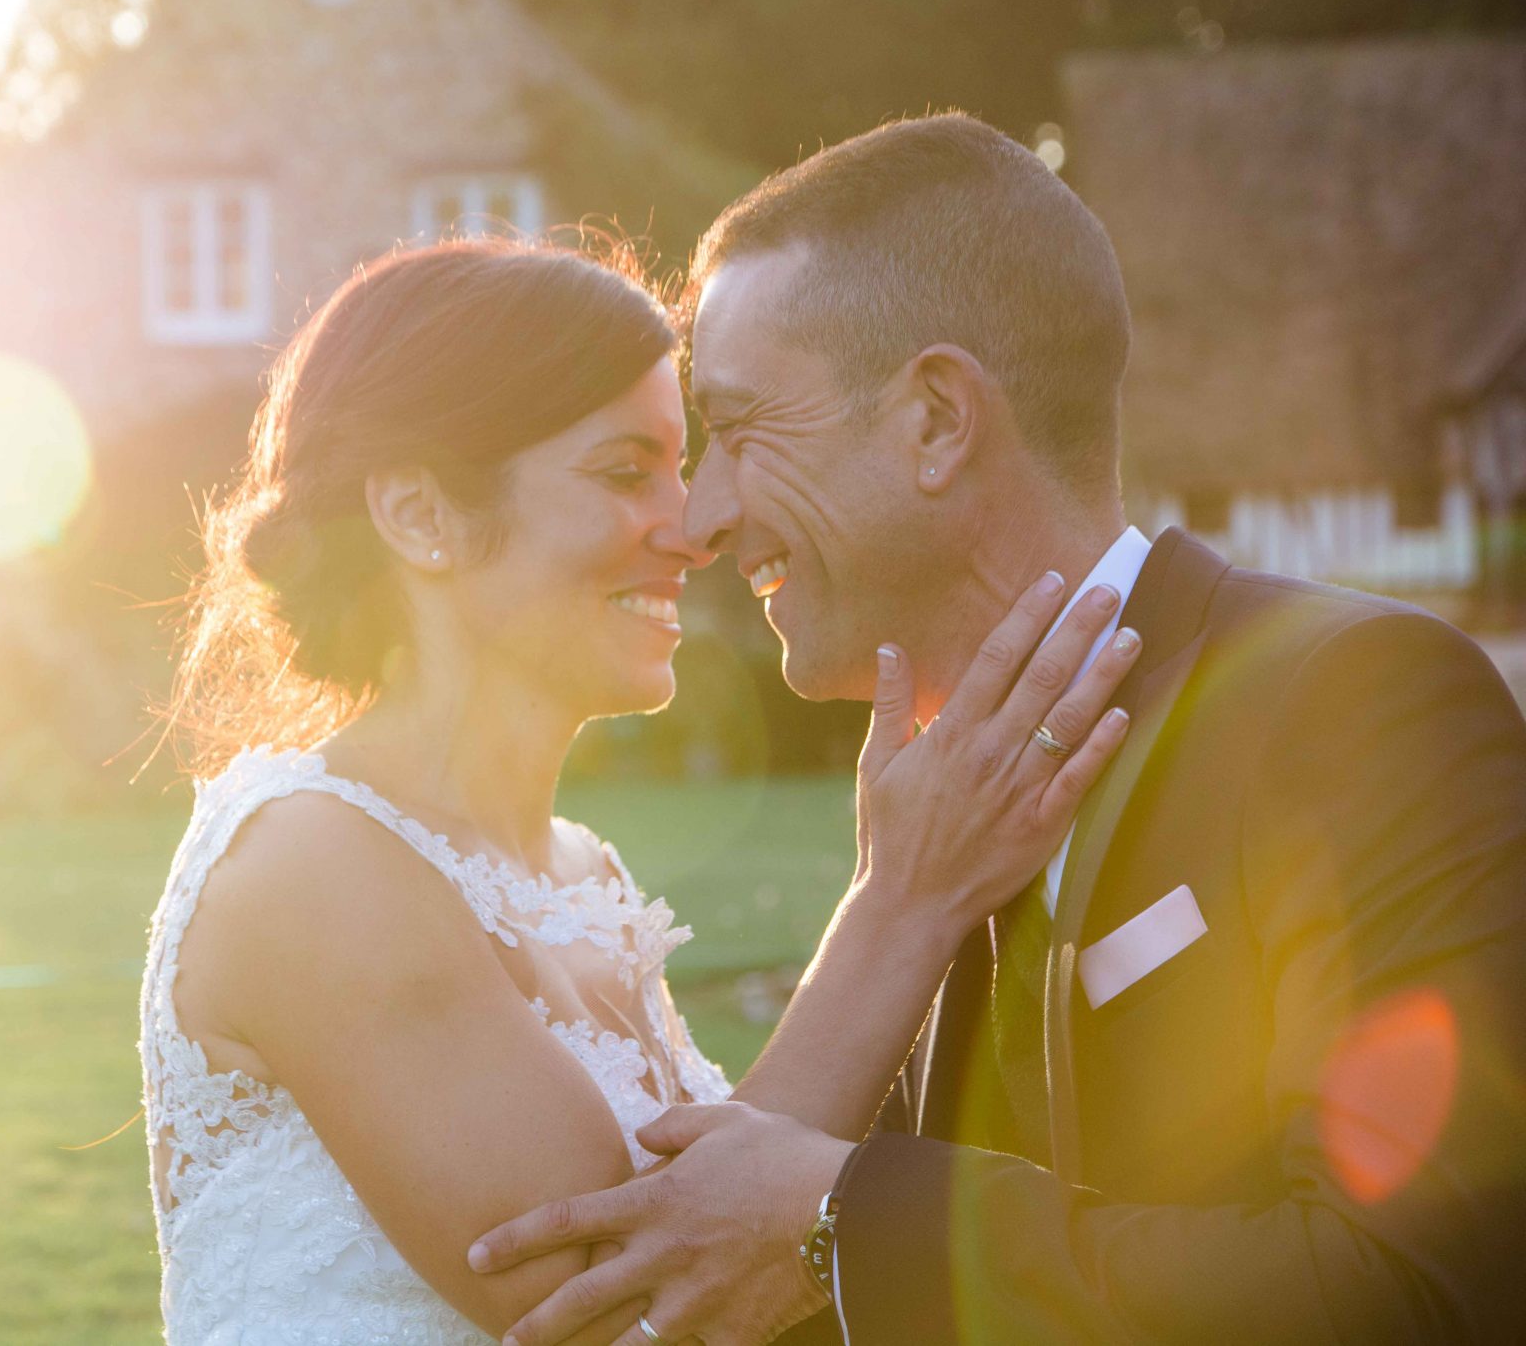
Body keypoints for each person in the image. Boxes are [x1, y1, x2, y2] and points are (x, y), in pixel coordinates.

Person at [468, 114, 1526, 1345]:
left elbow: (1417, 1289)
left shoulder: (1353, 704)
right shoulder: (934, 814)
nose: (701, 514)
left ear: (933, 420)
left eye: (741, 429)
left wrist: (840, 1214)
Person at [135, 237, 1138, 1343]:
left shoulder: (583, 873)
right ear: (420, 516)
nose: (692, 525)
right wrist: (901, 902)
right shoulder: (309, 868)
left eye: (686, 463)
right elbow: (637, 1308)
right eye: (624, 473)